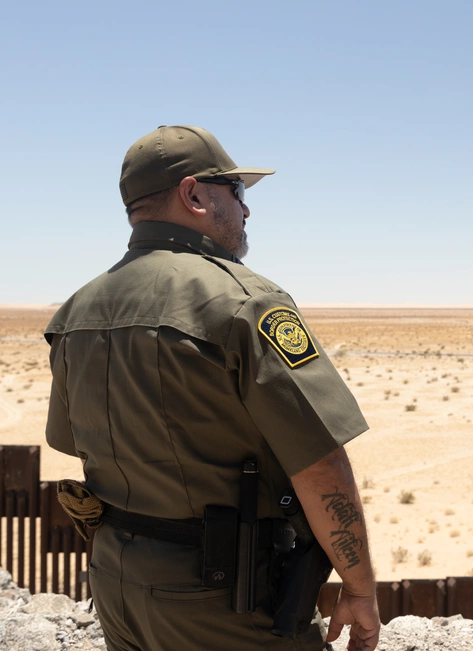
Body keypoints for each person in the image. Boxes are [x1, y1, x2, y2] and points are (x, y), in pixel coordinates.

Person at [45, 125, 380, 651]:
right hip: (221, 599)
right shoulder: (247, 302)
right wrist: (359, 587)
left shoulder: (77, 311)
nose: (246, 211)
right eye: (237, 193)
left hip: (116, 585)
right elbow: (319, 463)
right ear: (194, 194)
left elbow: (73, 443)